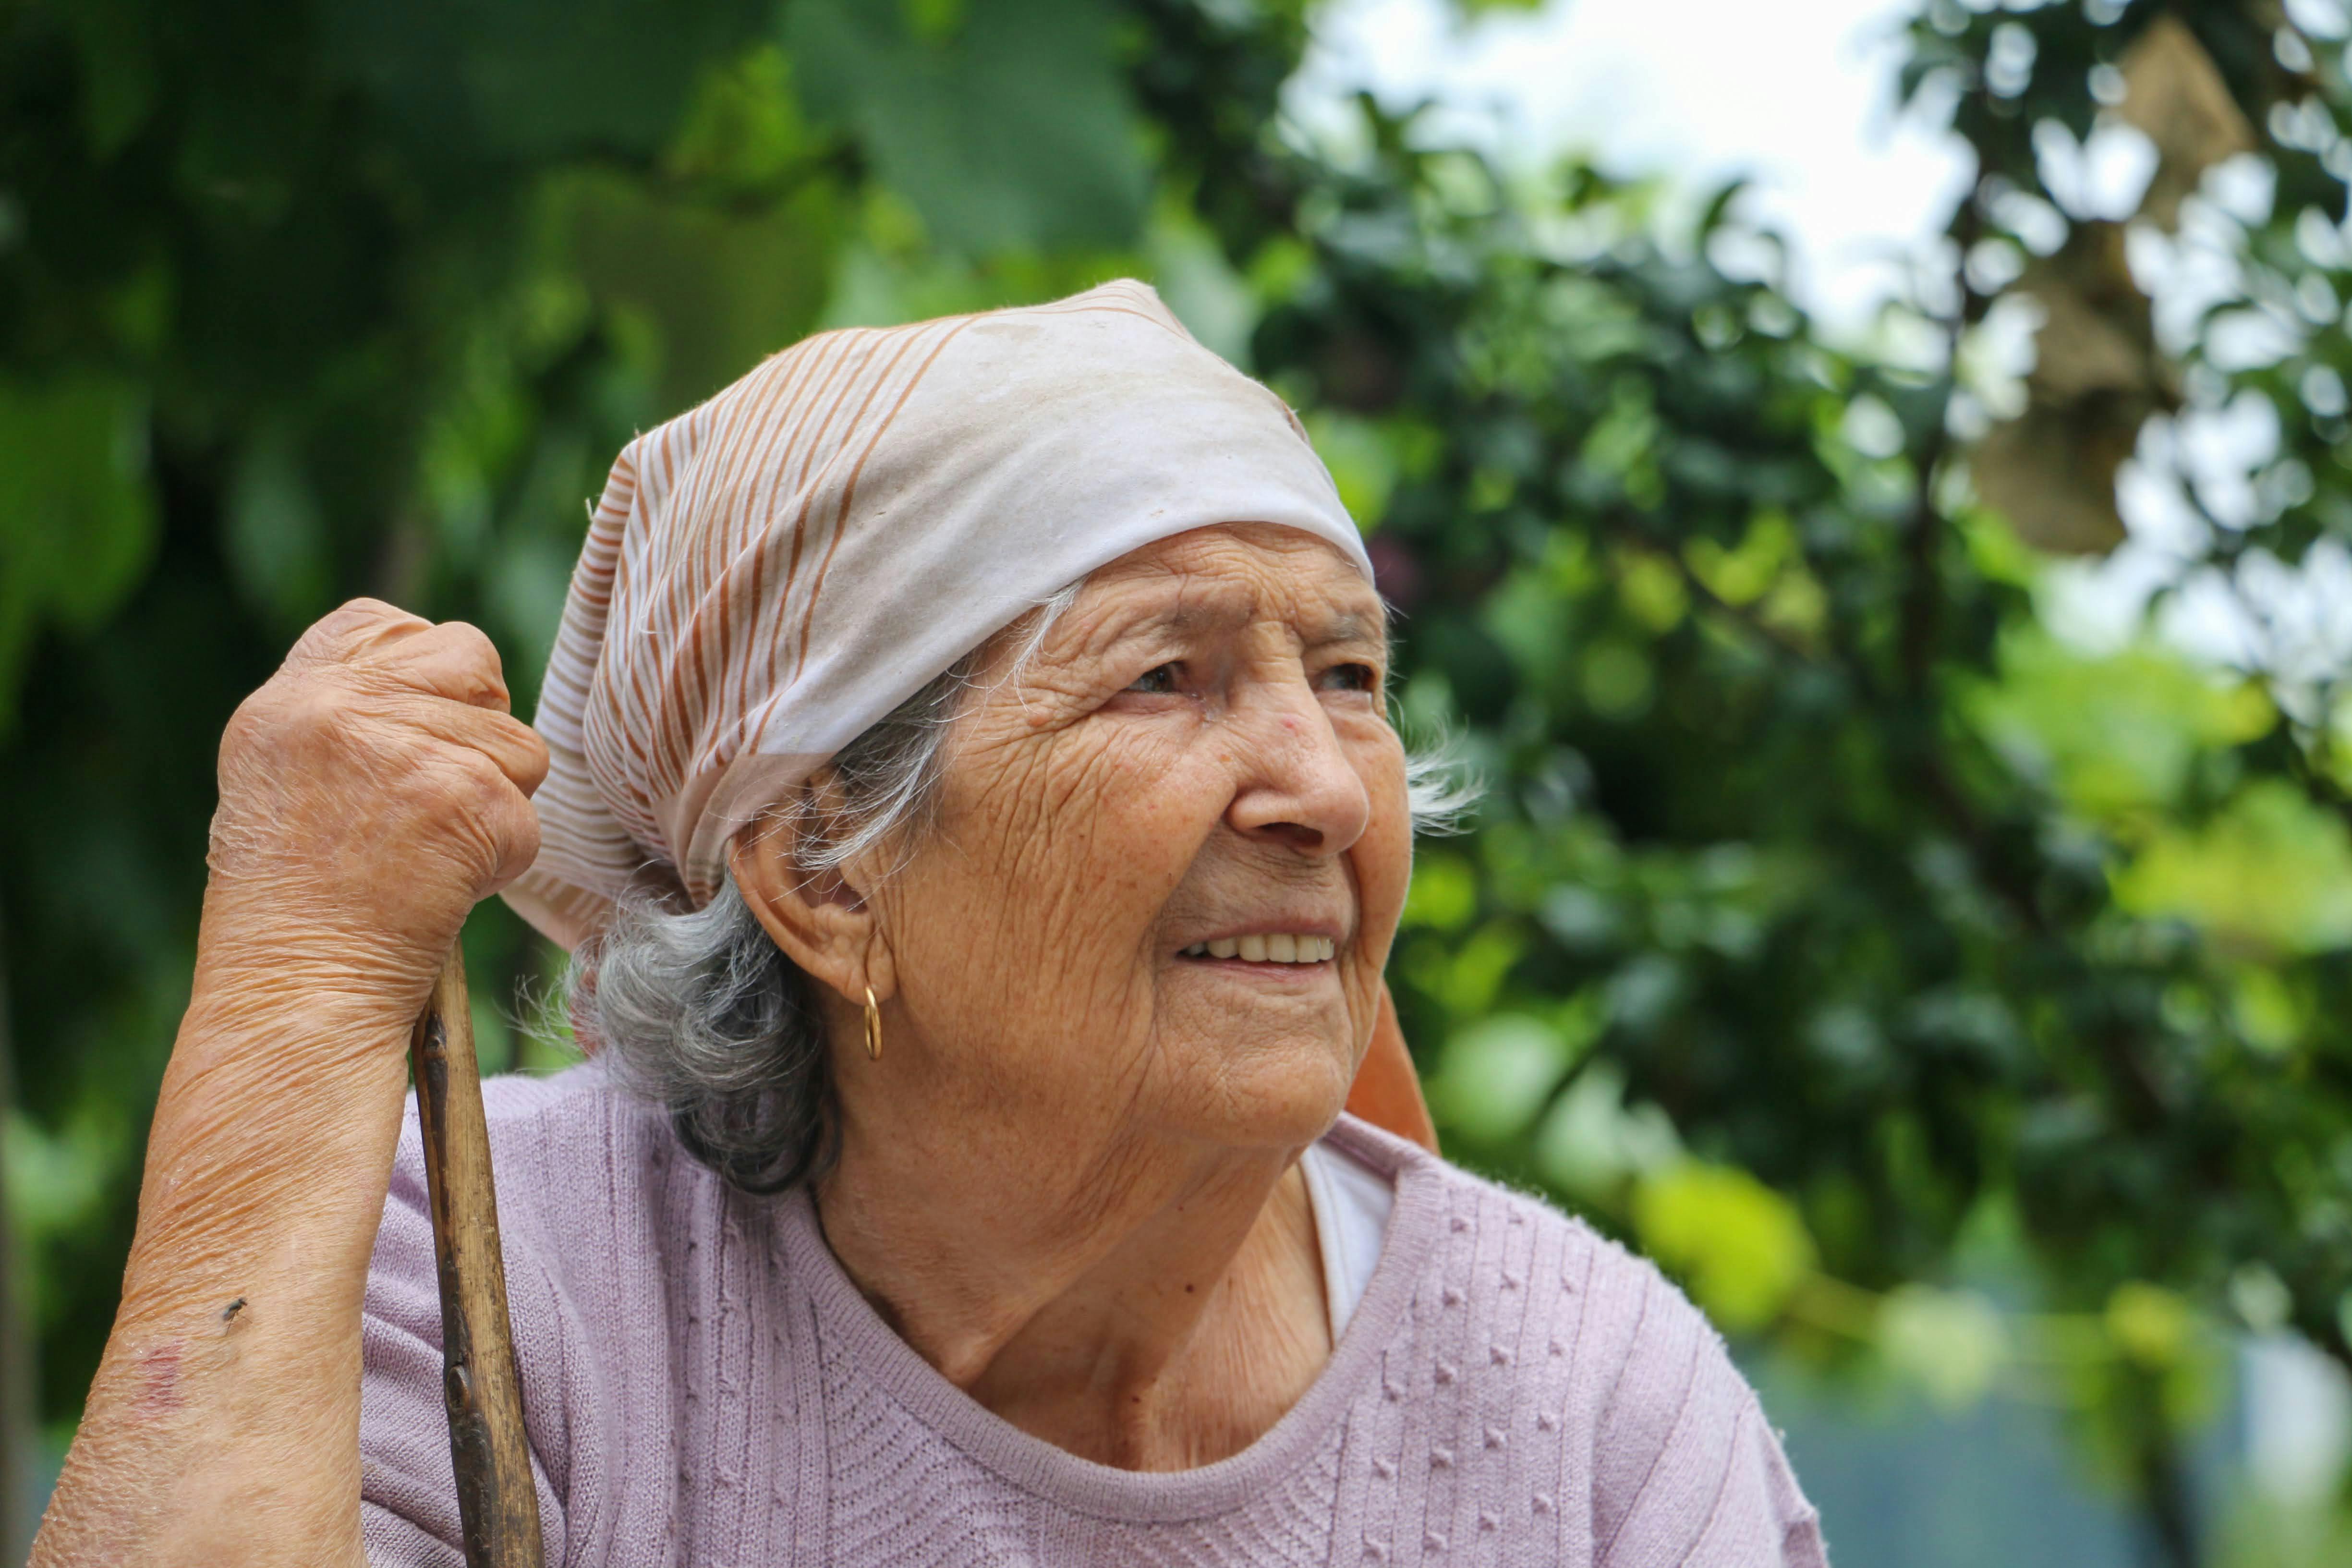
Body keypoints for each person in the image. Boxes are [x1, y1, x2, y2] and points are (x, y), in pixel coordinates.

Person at [31, 281, 1826, 1567]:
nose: (1327, 788)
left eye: (1346, 674)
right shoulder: (504, 1264)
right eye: (1165, 676)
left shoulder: (1582, 1404)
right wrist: (298, 982)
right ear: (822, 869)